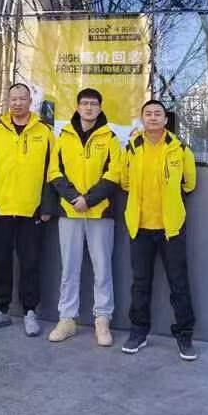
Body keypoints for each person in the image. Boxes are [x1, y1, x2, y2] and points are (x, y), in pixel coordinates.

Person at [0, 83, 55, 336]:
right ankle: (1, 310)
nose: (17, 103)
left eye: (22, 99)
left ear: (30, 101)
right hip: (1, 208)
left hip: (32, 210)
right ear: (8, 101)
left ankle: (30, 312)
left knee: (31, 263)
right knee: (1, 262)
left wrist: (47, 206)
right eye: (13, 99)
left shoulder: (45, 132)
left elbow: (51, 172)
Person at [121, 100, 197, 359]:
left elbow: (189, 183)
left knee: (179, 283)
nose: (153, 117)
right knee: (140, 283)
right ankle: (138, 332)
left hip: (170, 228)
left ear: (166, 119)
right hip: (140, 226)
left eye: (158, 114)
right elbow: (124, 181)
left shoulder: (179, 148)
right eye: (148, 114)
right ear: (142, 119)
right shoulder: (132, 147)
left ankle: (184, 335)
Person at [47, 88, 123, 346]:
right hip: (69, 212)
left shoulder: (110, 137)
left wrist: (88, 200)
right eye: (84, 103)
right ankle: (67, 319)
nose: (89, 108)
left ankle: (102, 319)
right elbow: (54, 172)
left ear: (100, 108)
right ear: (78, 107)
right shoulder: (63, 136)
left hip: (100, 212)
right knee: (69, 268)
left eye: (93, 104)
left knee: (102, 269)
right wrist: (73, 198)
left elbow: (114, 174)